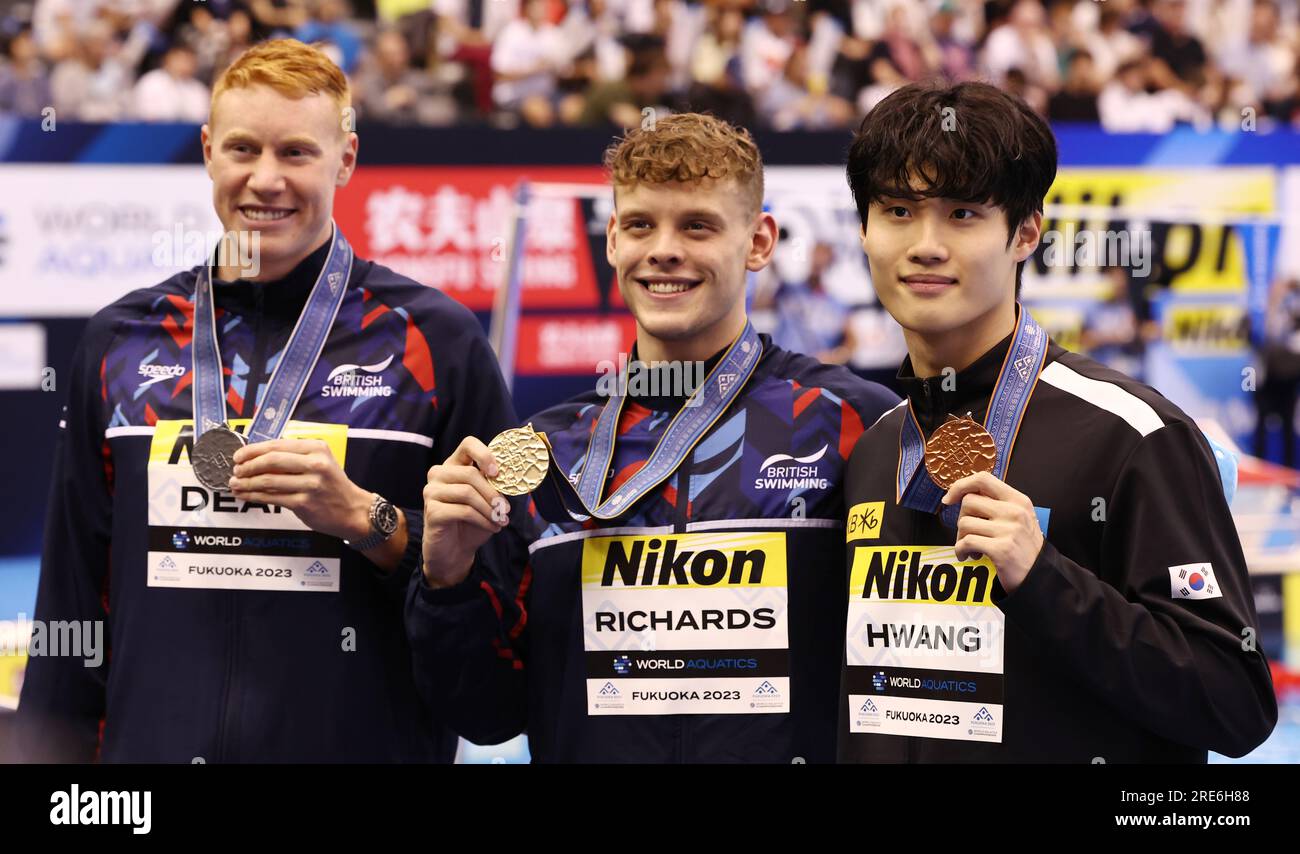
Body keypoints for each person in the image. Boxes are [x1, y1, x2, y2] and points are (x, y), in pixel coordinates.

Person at [12, 39, 516, 763]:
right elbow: (71, 604)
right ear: (210, 151)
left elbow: (496, 610)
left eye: (297, 153)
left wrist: (370, 522)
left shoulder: (434, 344)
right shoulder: (120, 342)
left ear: (344, 160)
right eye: (244, 149)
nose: (266, 179)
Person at [406, 113, 899, 763]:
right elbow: (488, 713)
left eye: (697, 225)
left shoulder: (854, 424)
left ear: (758, 241)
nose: (664, 249)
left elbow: (902, 688)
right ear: (612, 240)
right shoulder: (544, 454)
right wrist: (446, 577)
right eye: (641, 224)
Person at [838, 80, 1277, 763]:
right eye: (897, 210)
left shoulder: (1132, 435)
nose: (924, 245)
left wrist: (1045, 577)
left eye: (962, 214)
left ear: (1026, 233)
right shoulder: (874, 451)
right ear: (864, 228)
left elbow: (1234, 702)